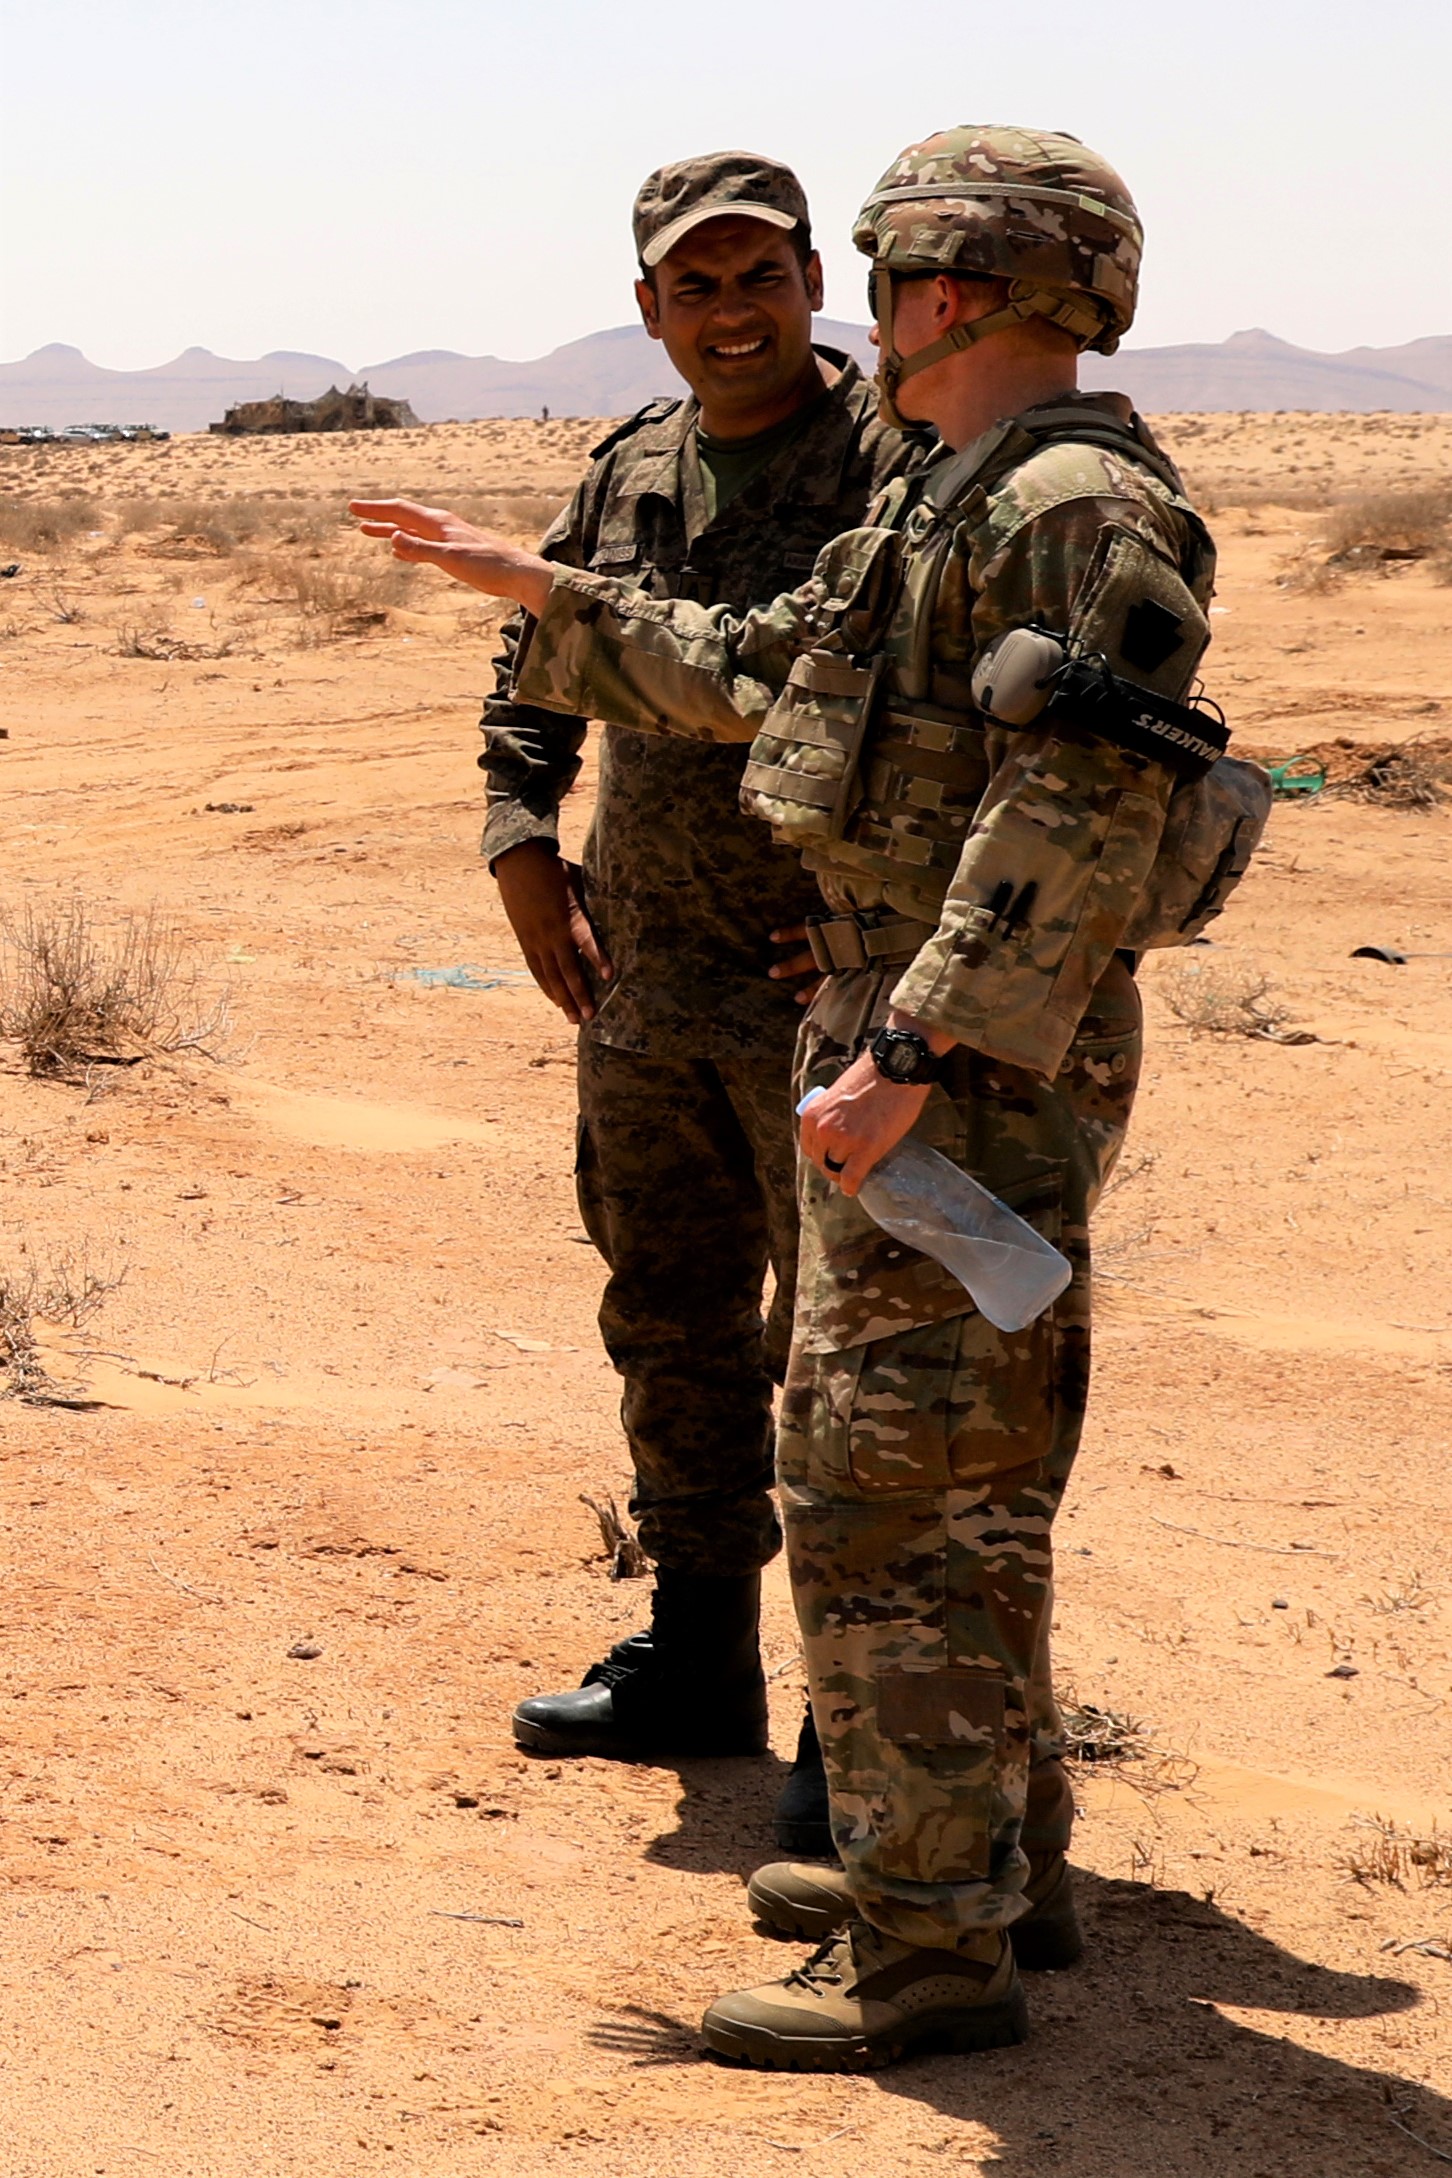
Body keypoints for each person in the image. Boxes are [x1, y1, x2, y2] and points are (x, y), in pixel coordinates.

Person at [354, 123, 1267, 2071]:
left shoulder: (1070, 505)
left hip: (955, 1081)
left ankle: (922, 1944)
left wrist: (909, 1055)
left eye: (869, 267)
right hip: (913, 1054)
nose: (844, 299)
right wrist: (545, 590)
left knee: (889, 1486)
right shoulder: (962, 492)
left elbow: (1082, 811)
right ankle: (970, 1862)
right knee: (951, 1470)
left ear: (952, 288)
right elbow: (762, 662)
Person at [360, 153, 920, 1780]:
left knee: (843, 1355)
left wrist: (874, 918)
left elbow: (942, 720)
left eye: (759, 276)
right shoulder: (626, 471)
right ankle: (697, 1661)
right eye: (697, 285)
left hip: (824, 1008)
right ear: (650, 309)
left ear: (818, 281)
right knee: (667, 1322)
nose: (731, 312)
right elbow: (531, 672)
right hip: (641, 992)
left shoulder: (897, 460)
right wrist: (522, 846)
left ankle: (859, 1728)